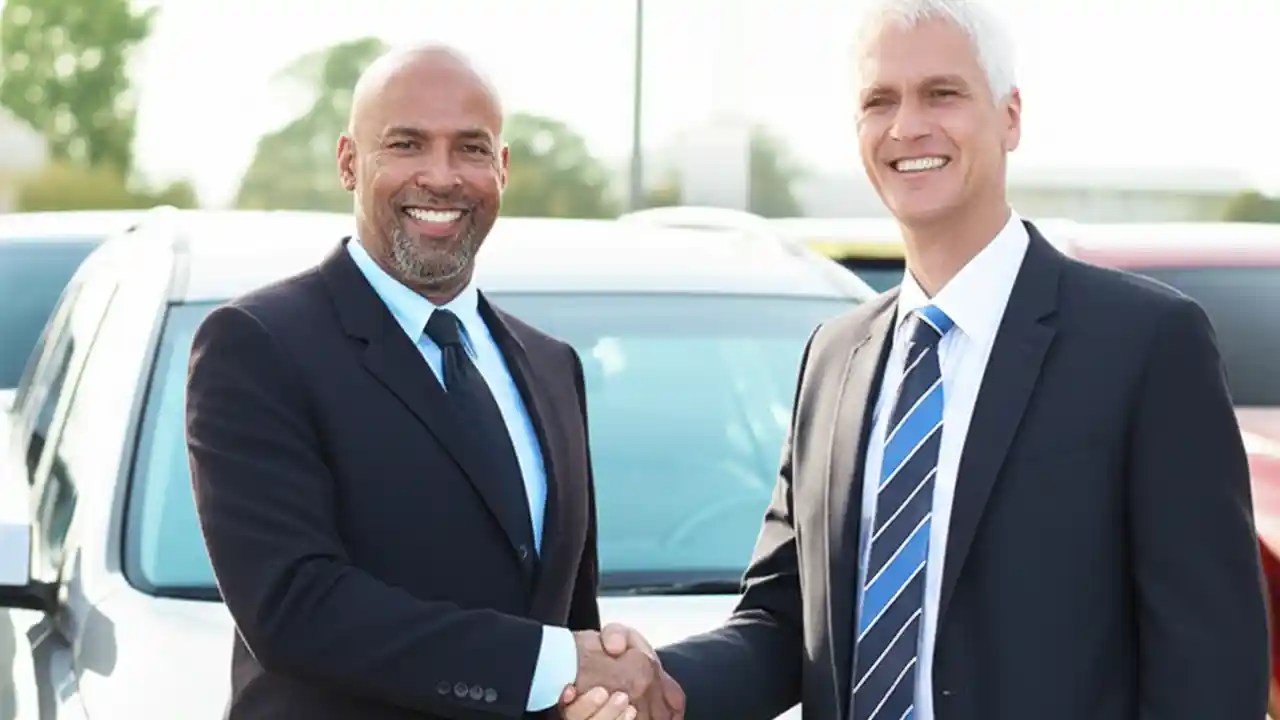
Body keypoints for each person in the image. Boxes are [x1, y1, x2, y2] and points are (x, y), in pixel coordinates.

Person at [565, 0, 1272, 718]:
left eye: (943, 93)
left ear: (1010, 116)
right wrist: (652, 686)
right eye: (880, 101)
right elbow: (785, 627)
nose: (907, 126)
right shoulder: (834, 359)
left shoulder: (1146, 345)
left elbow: (1209, 663)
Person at [186, 45, 681, 720]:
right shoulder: (258, 345)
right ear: (349, 163)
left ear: (502, 168)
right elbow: (295, 605)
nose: (441, 177)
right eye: (406, 144)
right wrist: (560, 662)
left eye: (471, 149)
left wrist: (593, 688)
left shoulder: (551, 366)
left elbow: (568, 612)